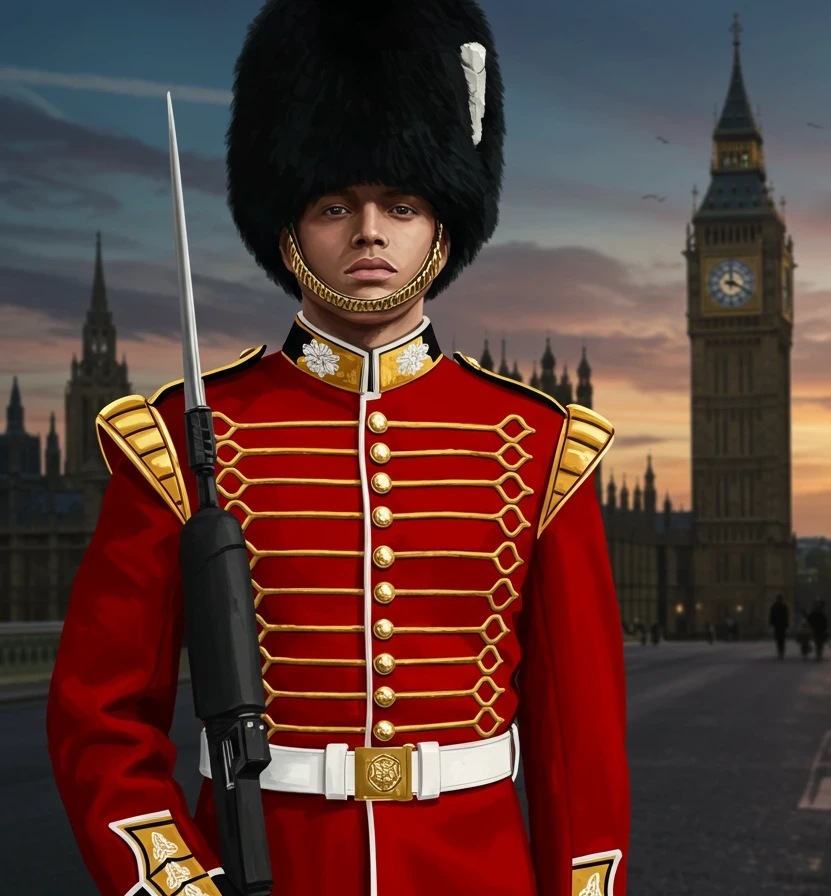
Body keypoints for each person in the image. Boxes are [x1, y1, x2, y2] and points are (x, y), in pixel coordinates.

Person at [45, 4, 630, 896]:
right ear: (288, 226)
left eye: (401, 203)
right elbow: (100, 717)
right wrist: (177, 883)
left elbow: (578, 747)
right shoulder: (177, 439)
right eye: (334, 204)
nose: (369, 232)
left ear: (444, 224)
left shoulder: (539, 445)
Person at [769, 594, 789, 659]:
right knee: (782, 639)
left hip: (777, 625)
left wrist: (771, 623)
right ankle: (781, 652)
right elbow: (786, 616)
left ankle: (780, 651)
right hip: (782, 625)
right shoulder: (784, 606)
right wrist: (787, 624)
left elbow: (771, 616)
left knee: (778, 638)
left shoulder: (774, 606)